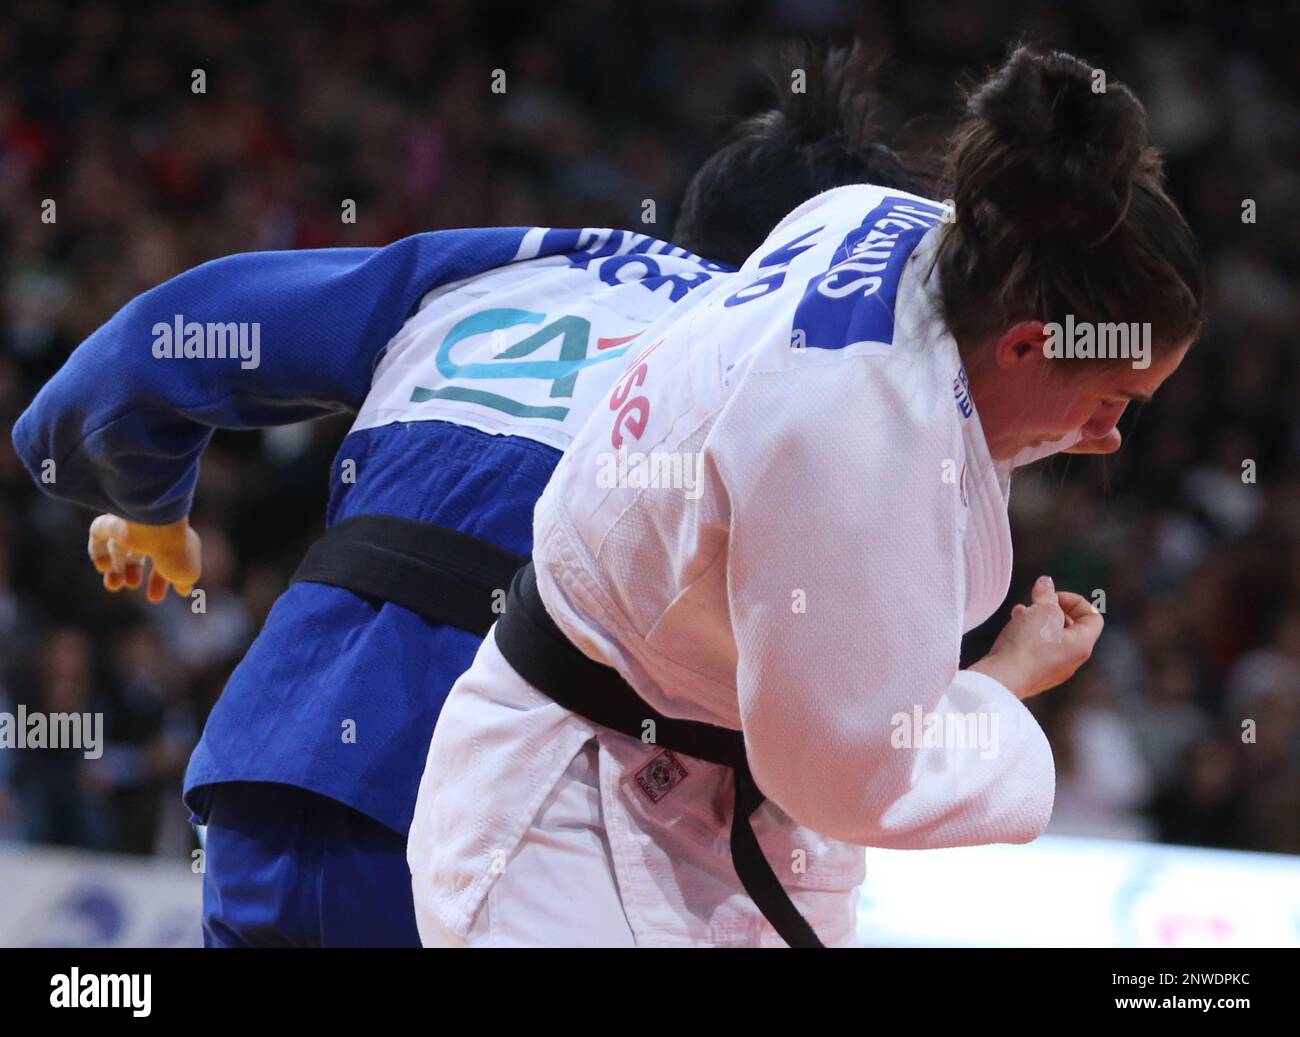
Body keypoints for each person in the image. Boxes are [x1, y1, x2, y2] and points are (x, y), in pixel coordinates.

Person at [12, 43, 925, 947]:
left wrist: (150, 502)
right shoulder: (803, 359)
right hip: (499, 813)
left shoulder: (501, 266)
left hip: (271, 760)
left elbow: (159, 340)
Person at [407, 46, 1205, 948]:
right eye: (1112, 399)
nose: (1107, 436)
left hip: (687, 774)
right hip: (574, 813)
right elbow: (841, 782)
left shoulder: (880, 220)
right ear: (1025, 345)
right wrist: (1007, 685)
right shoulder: (855, 434)